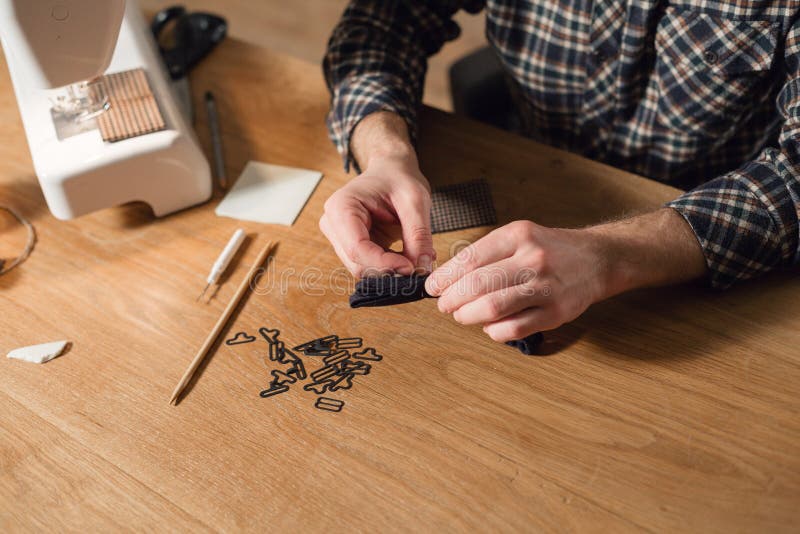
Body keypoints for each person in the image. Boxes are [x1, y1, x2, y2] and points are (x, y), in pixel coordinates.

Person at [320, 1, 799, 344]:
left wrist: (611, 256)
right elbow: (383, 22)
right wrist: (385, 152)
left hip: (708, 241)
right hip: (524, 177)